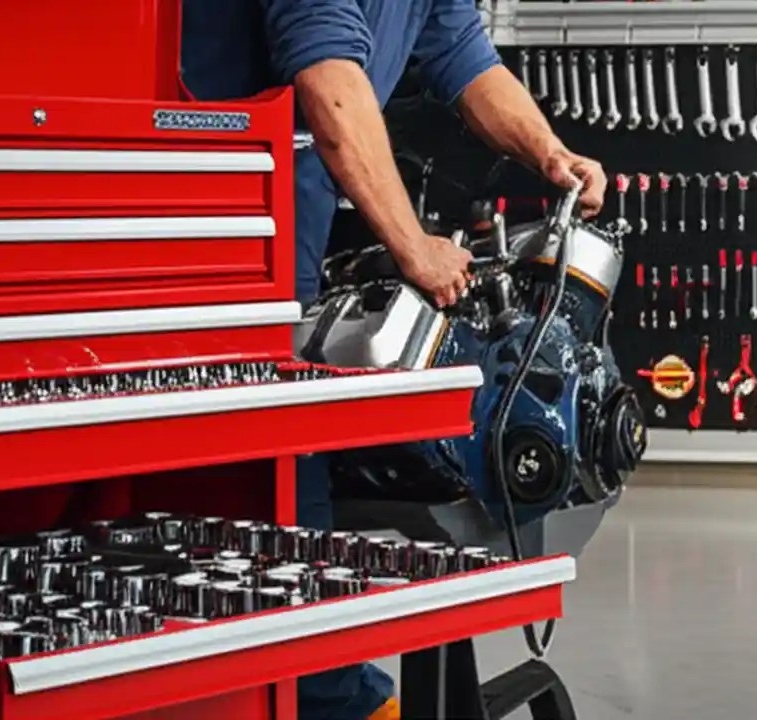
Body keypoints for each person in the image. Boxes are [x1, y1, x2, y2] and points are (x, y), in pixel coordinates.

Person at [181, 3, 608, 718]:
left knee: (298, 444)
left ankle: (323, 684)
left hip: (293, 200)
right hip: (213, 207)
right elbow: (329, 85)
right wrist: (412, 246)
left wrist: (550, 153)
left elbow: (466, 59)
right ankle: (324, 698)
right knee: (279, 457)